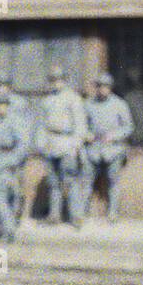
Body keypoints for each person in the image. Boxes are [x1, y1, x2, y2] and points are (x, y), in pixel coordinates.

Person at [36, 64, 87, 226]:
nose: (56, 83)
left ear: (65, 80)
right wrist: (41, 144)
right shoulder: (46, 100)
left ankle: (76, 216)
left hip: (67, 142)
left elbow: (80, 124)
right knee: (53, 182)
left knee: (69, 180)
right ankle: (54, 215)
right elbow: (41, 124)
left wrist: (76, 145)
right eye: (53, 80)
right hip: (51, 142)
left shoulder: (73, 98)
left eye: (59, 79)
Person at [0, 79, 30, 242]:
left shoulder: (15, 120)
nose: (0, 107)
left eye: (3, 104)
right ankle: (8, 229)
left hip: (10, 163)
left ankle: (9, 230)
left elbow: (23, 145)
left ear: (8, 105)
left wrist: (13, 162)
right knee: (3, 196)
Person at [84, 72, 134, 221]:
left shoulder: (120, 104)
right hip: (93, 149)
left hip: (113, 149)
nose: (102, 89)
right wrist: (87, 134)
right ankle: (83, 212)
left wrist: (114, 136)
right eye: (99, 86)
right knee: (86, 180)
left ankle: (112, 213)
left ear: (110, 88)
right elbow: (81, 124)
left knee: (113, 181)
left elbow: (129, 127)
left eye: (105, 86)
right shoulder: (88, 104)